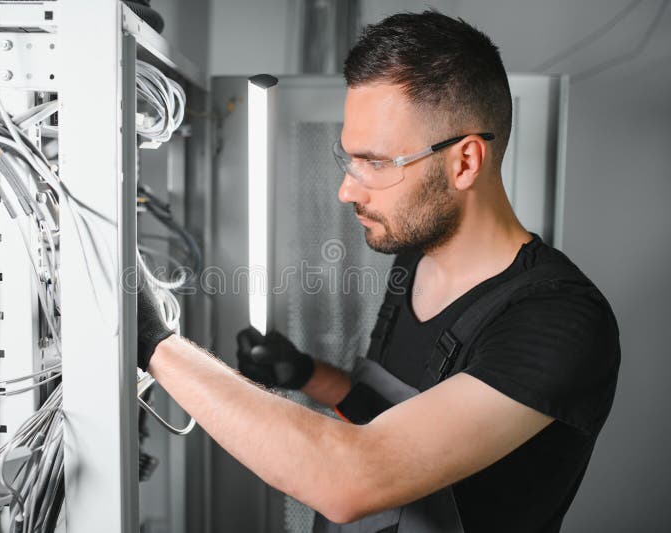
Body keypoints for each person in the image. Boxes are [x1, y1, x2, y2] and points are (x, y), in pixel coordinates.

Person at [137, 10, 620, 533]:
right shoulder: (416, 255)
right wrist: (304, 373)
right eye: (349, 159)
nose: (347, 190)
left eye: (377, 162)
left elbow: (356, 477)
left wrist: (154, 342)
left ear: (464, 162)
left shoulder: (557, 321)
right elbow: (394, 420)